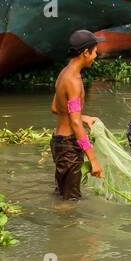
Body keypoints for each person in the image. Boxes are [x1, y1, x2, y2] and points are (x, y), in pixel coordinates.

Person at [49, 29, 105, 200]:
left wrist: (83, 116)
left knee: (62, 195)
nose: (96, 55)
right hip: (69, 147)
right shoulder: (73, 81)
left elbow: (55, 107)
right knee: (70, 203)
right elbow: (74, 123)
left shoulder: (64, 73)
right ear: (85, 52)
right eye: (95, 51)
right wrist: (93, 159)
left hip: (58, 143)